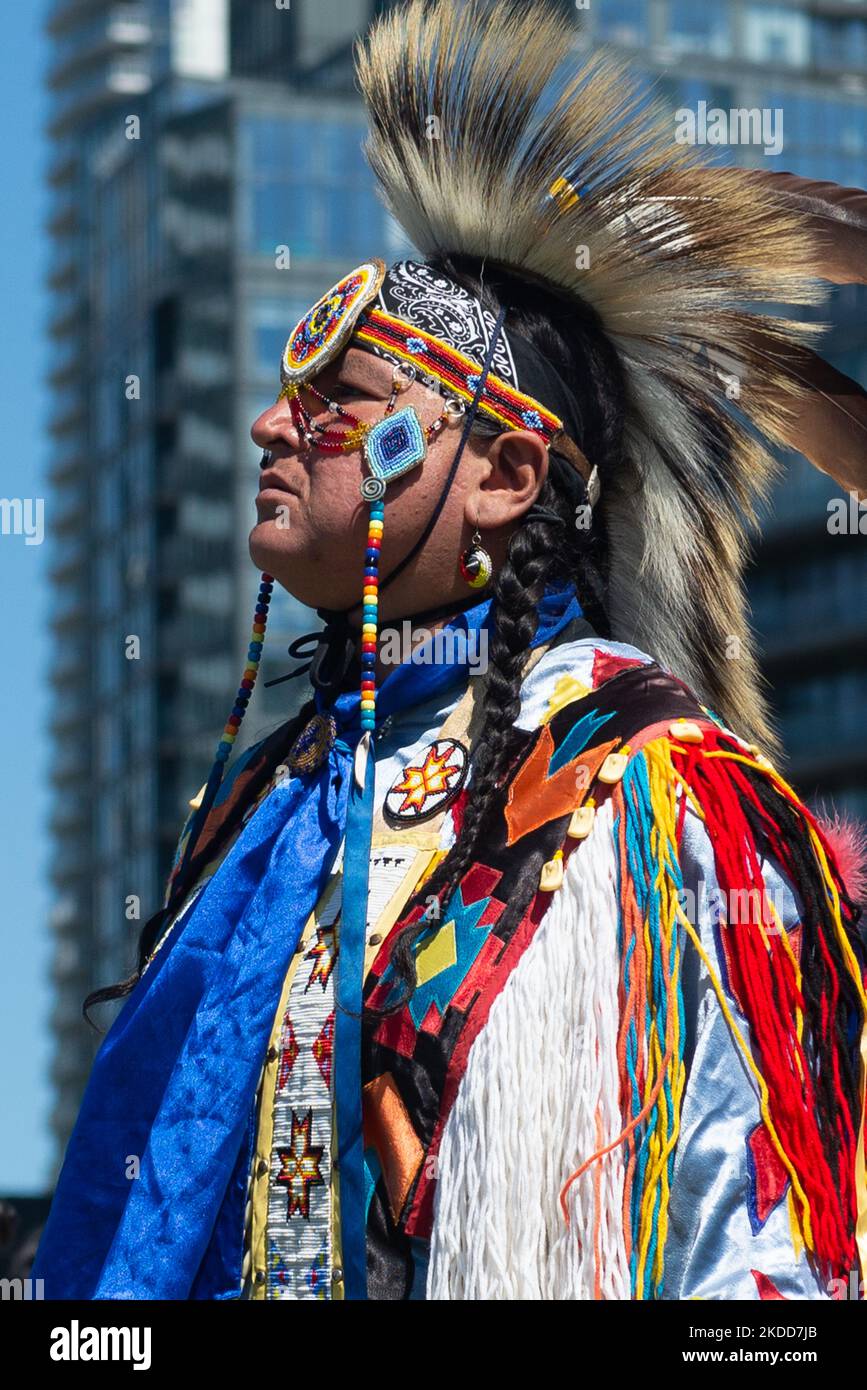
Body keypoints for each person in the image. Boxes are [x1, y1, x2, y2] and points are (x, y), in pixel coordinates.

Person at [33, 0, 867, 1301]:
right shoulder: (279, 799)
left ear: (506, 472)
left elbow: (751, 1261)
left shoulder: (646, 799)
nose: (271, 422)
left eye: (341, 405)